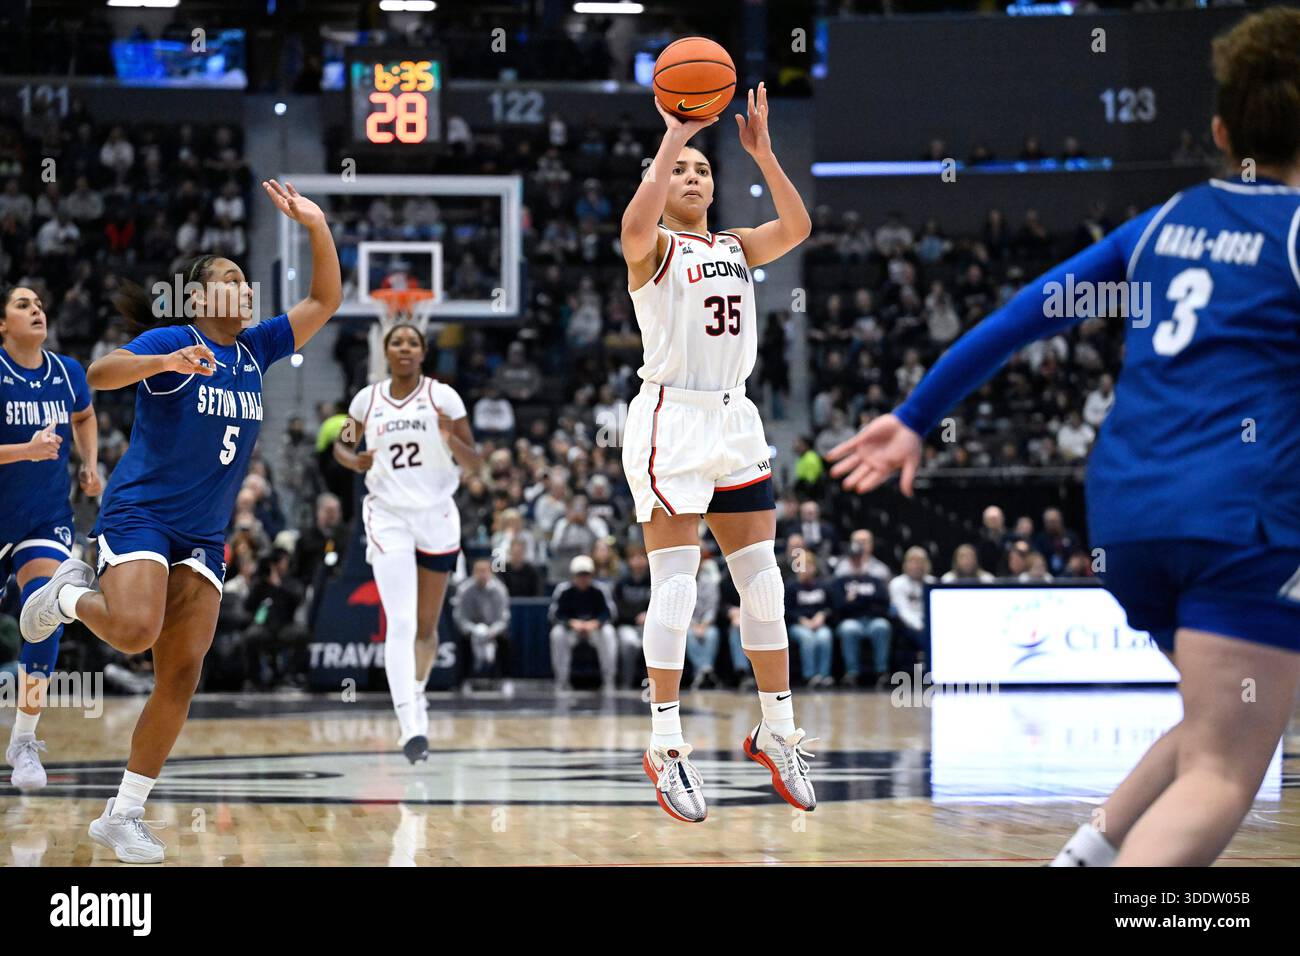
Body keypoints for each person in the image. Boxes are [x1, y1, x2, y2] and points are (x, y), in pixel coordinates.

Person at [827, 6, 1300, 869]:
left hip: (1126, 518)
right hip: (1238, 516)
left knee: (1217, 721)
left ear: (1225, 128)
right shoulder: (1296, 230)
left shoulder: (1159, 224)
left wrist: (916, 416)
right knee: (1227, 770)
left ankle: (1088, 852)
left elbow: (1024, 314)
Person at [20, 179, 340, 863]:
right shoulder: (177, 339)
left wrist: (316, 225)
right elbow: (100, 374)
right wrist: (162, 361)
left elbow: (324, 300)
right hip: (142, 514)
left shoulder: (257, 349)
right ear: (199, 299)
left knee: (181, 675)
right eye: (226, 279)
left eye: (242, 278)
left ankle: (123, 813)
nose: (241, 286)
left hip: (204, 533)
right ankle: (67, 595)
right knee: (134, 630)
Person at [619, 82, 815, 823]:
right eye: (680, 172)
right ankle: (665, 744)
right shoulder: (653, 247)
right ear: (660, 182)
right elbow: (632, 225)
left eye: (702, 169)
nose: (693, 177)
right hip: (671, 419)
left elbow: (796, 226)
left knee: (763, 584)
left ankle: (778, 729)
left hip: (734, 420)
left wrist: (763, 155)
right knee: (677, 589)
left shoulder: (733, 245)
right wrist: (672, 137)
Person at [334, 323, 481, 763]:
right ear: (386, 351)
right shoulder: (368, 399)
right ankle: (411, 725)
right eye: (396, 342)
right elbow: (341, 448)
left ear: (422, 352)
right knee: (399, 621)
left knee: (426, 627)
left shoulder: (443, 398)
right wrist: (353, 459)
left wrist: (448, 436)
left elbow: (474, 464)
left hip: (437, 515)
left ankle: (417, 691)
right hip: (388, 515)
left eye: (411, 343)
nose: (404, 348)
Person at [0, 284, 100, 791]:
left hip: (43, 520)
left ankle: (23, 740)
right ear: (2, 325)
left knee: (43, 612)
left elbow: (84, 415)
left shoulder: (68, 372)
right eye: (23, 304)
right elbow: (28, 449)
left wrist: (90, 463)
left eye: (40, 303)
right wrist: (26, 450)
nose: (37, 308)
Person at [548, 554, 617, 692]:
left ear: (591, 575)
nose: (583, 578)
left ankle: (609, 681)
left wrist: (596, 623)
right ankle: (562, 681)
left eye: (586, 574)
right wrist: (572, 623)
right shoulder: (563, 590)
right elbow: (555, 614)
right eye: (579, 575)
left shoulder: (600, 590)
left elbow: (610, 613)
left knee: (608, 632)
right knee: (557, 634)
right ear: (573, 575)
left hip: (594, 630)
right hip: (571, 630)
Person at [452, 557, 511, 684]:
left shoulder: (499, 590)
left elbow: (503, 618)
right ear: (473, 572)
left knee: (505, 640)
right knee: (462, 641)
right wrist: (474, 630)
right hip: (471, 630)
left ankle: (503, 679)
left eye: (484, 571)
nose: (482, 574)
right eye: (478, 571)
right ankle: (463, 680)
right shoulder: (464, 590)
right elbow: (460, 617)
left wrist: (492, 631)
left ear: (490, 572)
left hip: (493, 629)